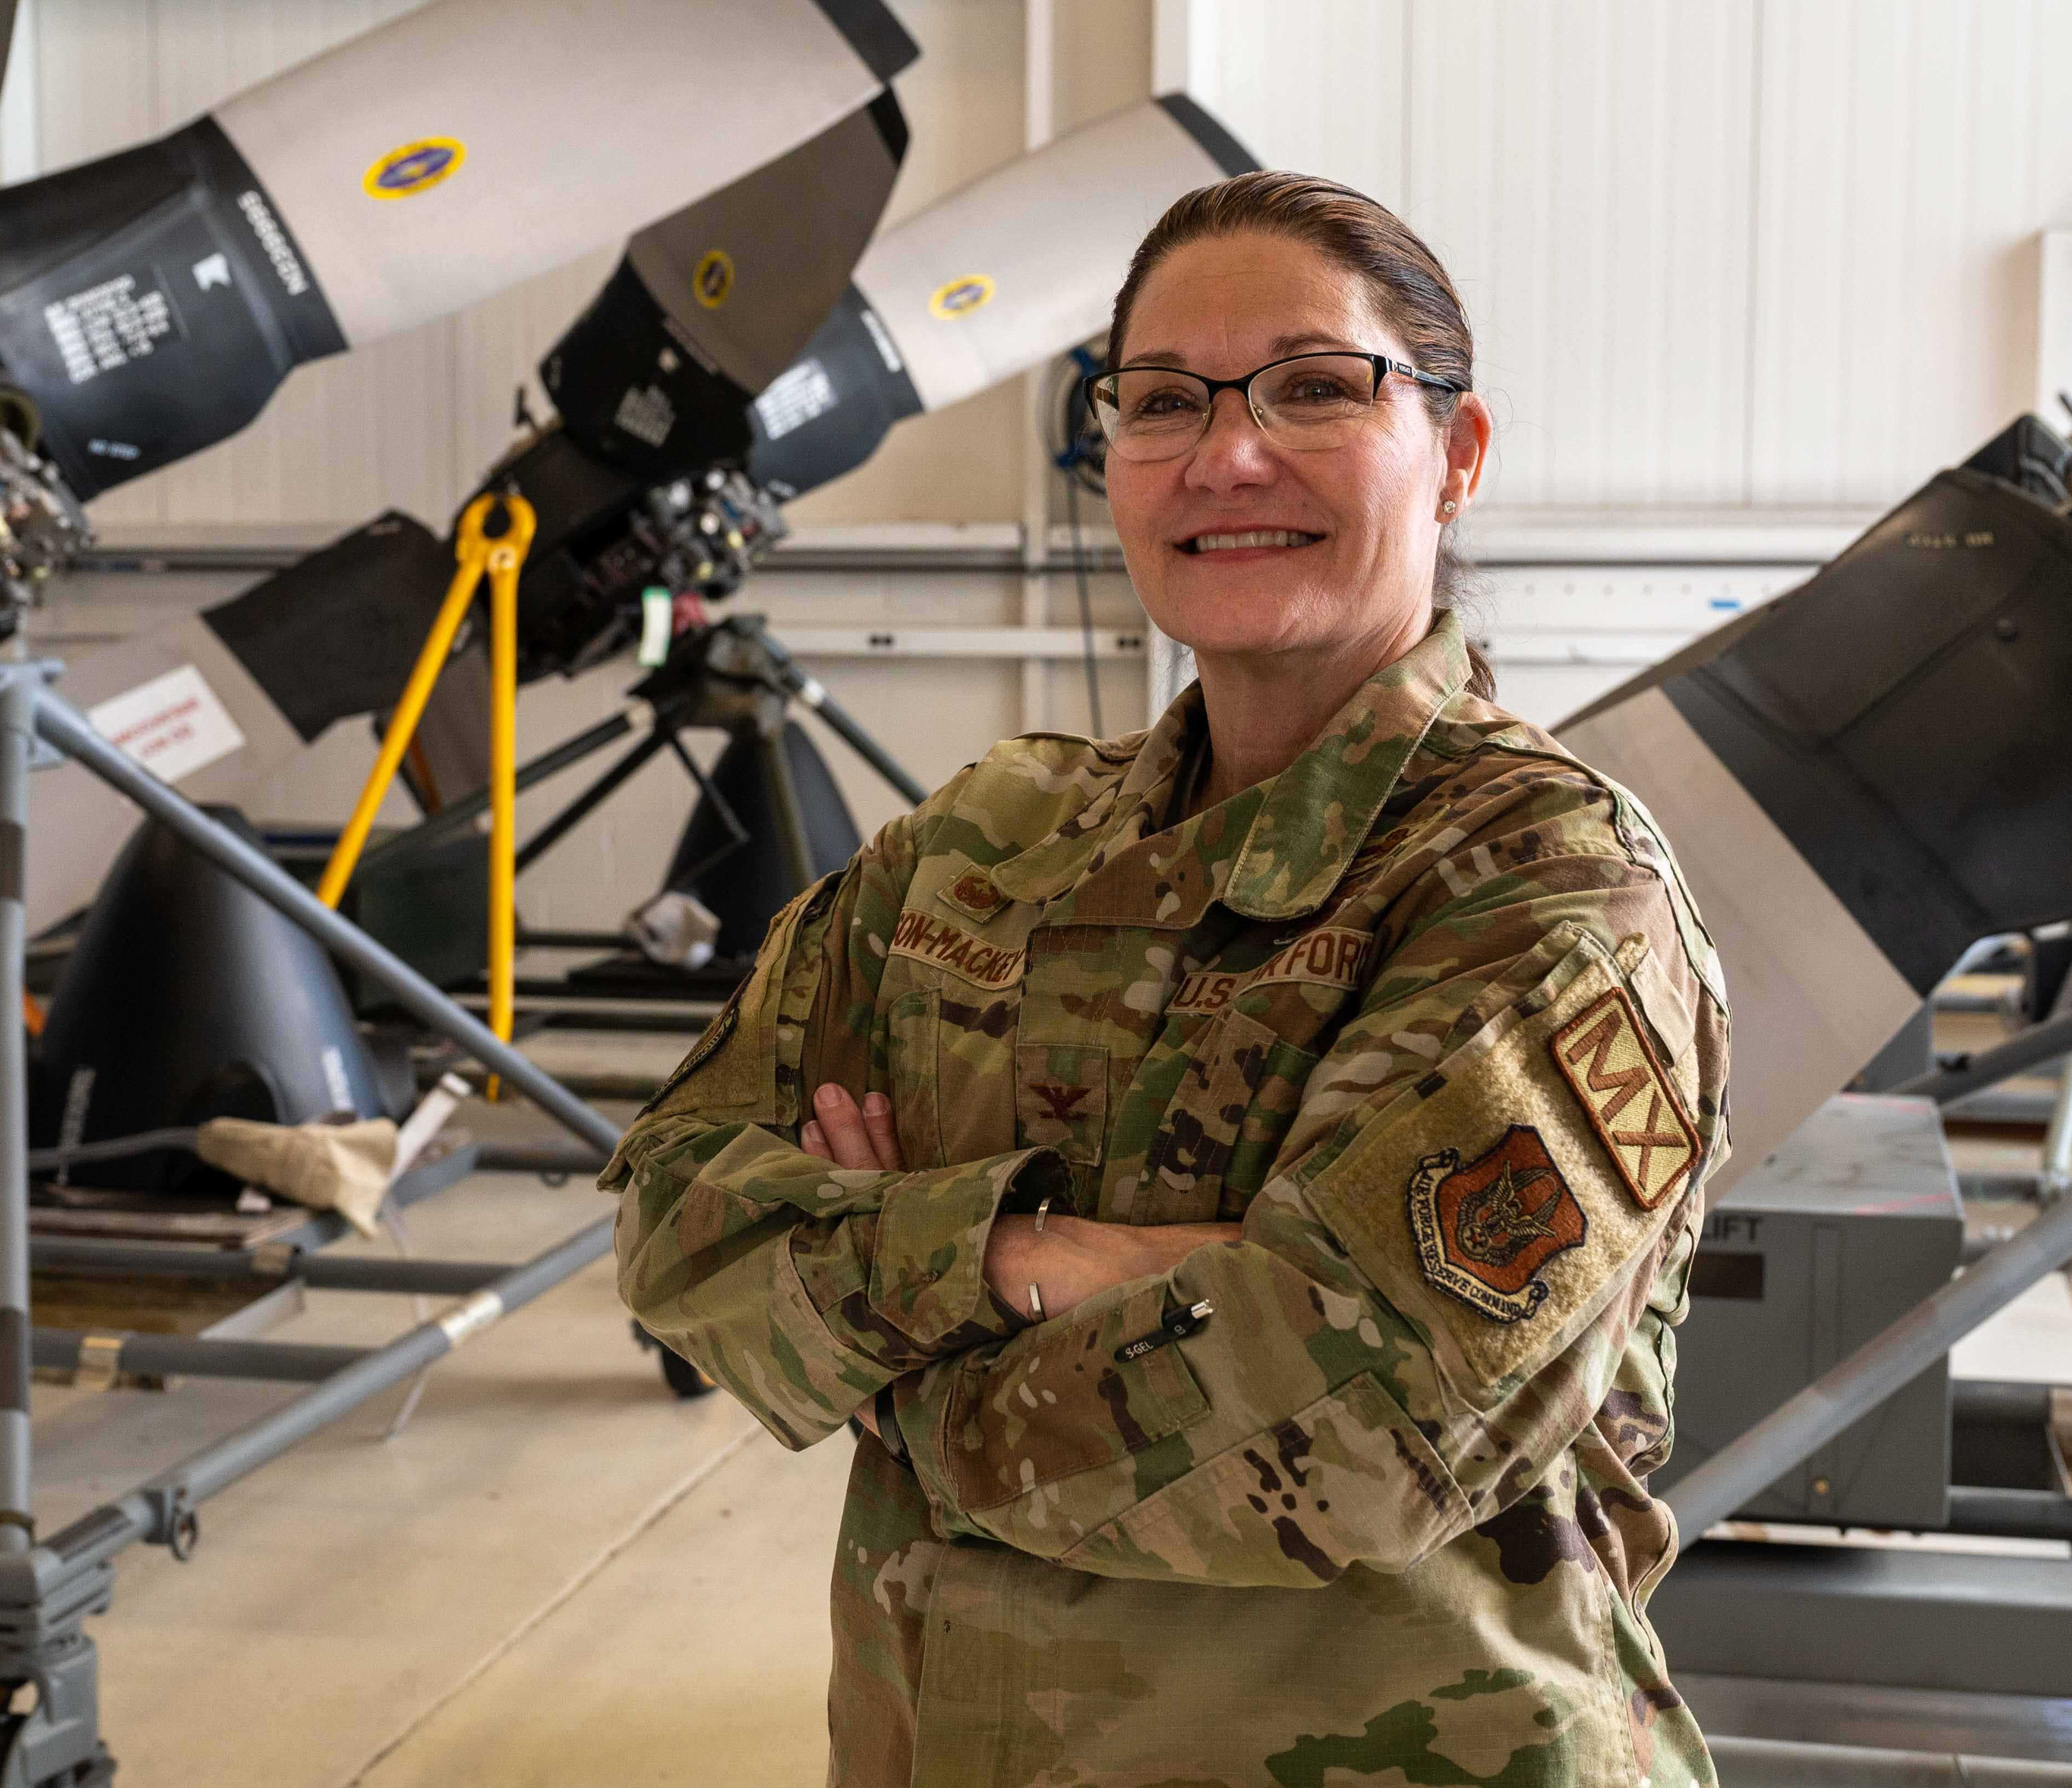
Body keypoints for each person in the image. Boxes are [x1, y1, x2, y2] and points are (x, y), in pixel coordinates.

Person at [602, 170, 1729, 1788]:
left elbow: (1339, 1428)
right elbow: (667, 1212)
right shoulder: (987, 845)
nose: (1228, 452)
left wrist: (893, 1349)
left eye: (1317, 388)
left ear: (1459, 455)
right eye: (1160, 401)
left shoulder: (1544, 884)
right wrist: (1028, 1258)